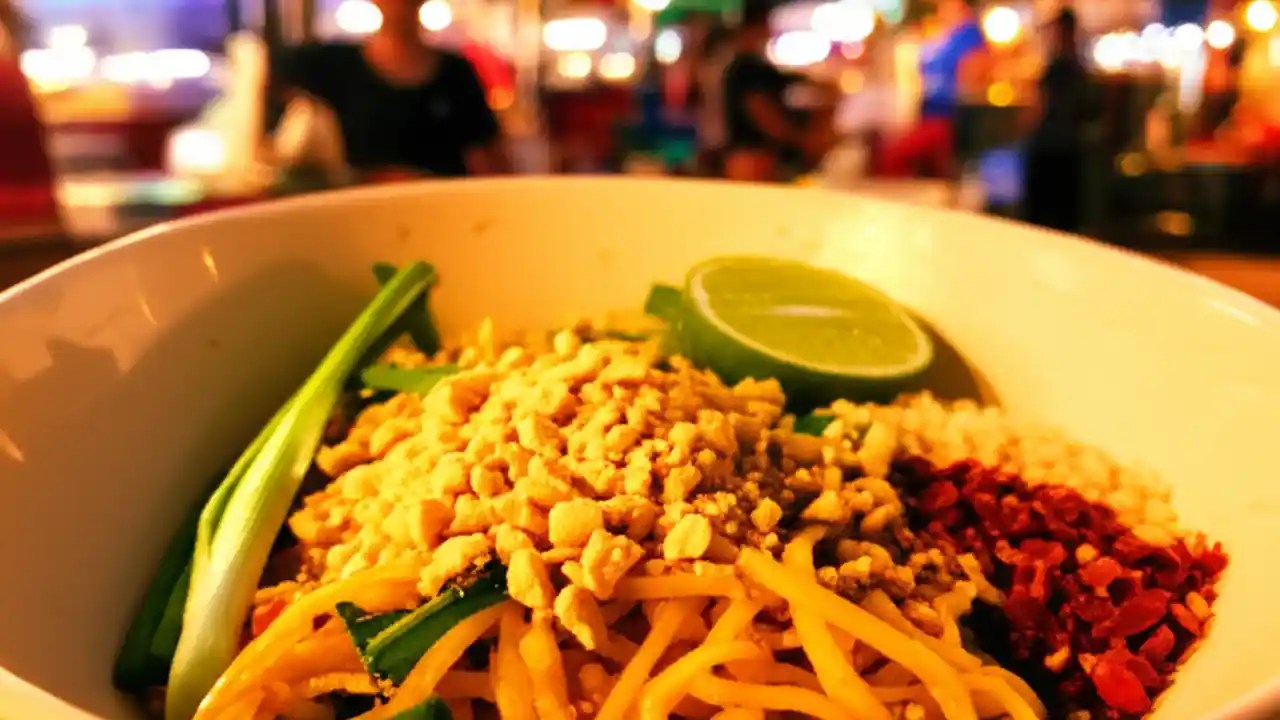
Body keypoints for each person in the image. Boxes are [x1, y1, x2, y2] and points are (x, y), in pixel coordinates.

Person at [275, 0, 506, 179]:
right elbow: (264, 68)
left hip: (442, 213)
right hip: (359, 217)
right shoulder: (335, 63)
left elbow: (492, 158)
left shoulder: (456, 72)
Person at [721, 0, 831, 182]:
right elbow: (761, 112)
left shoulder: (751, 67)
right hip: (751, 158)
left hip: (753, 157)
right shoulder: (746, 68)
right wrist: (799, 138)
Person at [879, 0, 985, 178]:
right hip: (927, 115)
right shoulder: (942, 34)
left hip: (947, 120)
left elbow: (972, 80)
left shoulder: (970, 36)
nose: (941, 8)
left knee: (893, 156)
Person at [1023, 8, 1091, 233]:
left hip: (1050, 149)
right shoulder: (1078, 69)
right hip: (1067, 150)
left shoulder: (1058, 69)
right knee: (1062, 222)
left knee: (1043, 221)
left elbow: (1039, 109)